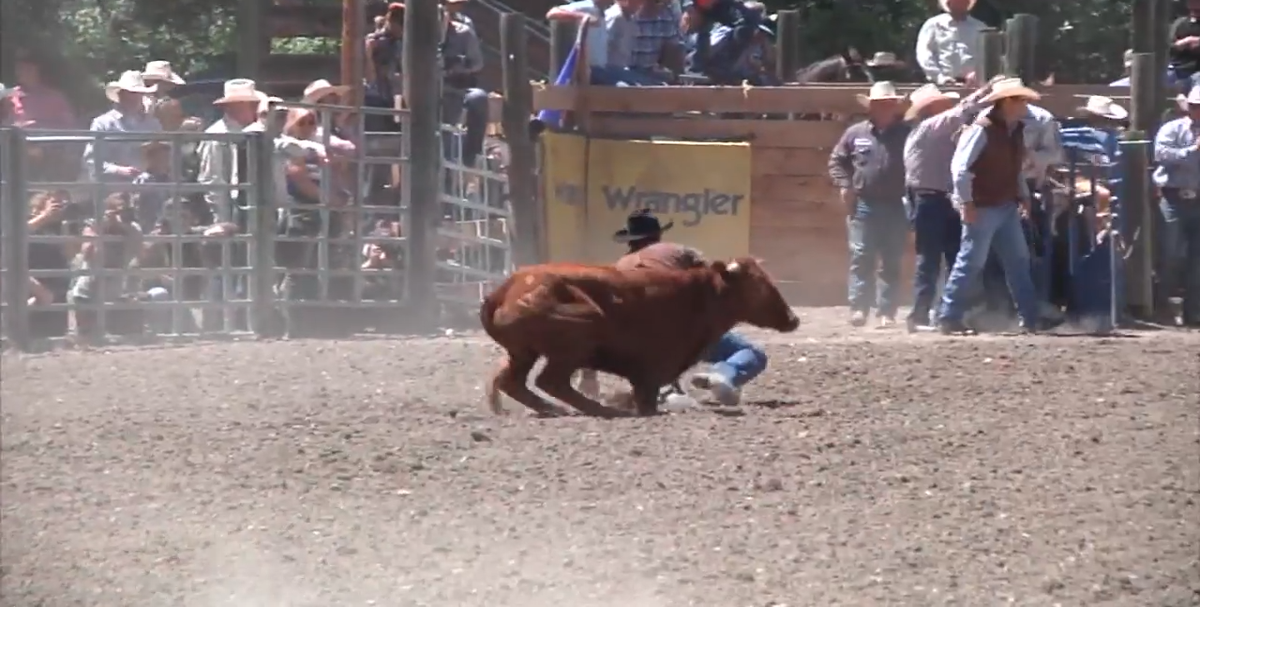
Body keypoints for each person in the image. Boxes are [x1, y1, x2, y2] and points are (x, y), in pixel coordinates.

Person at [577, 209, 770, 406]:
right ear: (659, 236)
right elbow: (715, 282)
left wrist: (588, 376)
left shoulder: (618, 268)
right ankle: (724, 374)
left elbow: (597, 318)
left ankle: (660, 388)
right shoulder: (678, 252)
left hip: (633, 342)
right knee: (751, 353)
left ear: (630, 240)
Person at [937, 78, 1044, 335]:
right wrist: (966, 202)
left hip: (1003, 204)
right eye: (1021, 100)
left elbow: (1014, 168)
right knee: (972, 262)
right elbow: (960, 169)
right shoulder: (982, 130)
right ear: (1007, 101)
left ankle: (1030, 317)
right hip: (983, 206)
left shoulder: (1012, 130)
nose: (1025, 105)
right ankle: (949, 316)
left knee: (1016, 260)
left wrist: (1023, 195)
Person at [902, 78, 1000, 332]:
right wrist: (988, 88)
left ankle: (935, 312)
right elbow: (964, 109)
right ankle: (923, 314)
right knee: (935, 259)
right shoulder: (932, 126)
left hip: (933, 198)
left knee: (945, 257)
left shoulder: (928, 130)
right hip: (932, 199)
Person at [828, 82, 912, 328]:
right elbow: (836, 161)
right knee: (861, 256)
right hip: (865, 203)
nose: (885, 108)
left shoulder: (907, 133)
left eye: (889, 104)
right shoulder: (855, 133)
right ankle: (859, 308)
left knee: (891, 259)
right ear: (872, 107)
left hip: (897, 204)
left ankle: (886, 311)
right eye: (880, 104)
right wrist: (845, 185)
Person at [1152, 84, 1199, 328]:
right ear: (1189, 108)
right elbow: (1161, 153)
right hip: (1173, 198)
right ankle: (1162, 308)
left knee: (1197, 260)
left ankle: (1194, 313)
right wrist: (1192, 151)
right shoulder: (1172, 128)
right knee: (1170, 254)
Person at [198, 79, 265, 226]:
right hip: (233, 208)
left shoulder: (256, 132)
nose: (256, 108)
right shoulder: (216, 135)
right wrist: (222, 219)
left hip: (254, 204)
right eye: (252, 104)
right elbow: (212, 179)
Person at [84, 71, 161, 182]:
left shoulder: (153, 124)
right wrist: (118, 170)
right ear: (120, 95)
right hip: (114, 187)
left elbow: (163, 157)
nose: (133, 98)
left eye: (138, 93)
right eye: (130, 93)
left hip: (150, 186)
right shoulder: (103, 124)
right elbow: (91, 160)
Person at [441, 0, 490, 167]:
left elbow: (478, 63)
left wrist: (460, 68)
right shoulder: (418, 33)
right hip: (429, 88)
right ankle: (445, 168)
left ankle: (471, 154)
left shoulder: (464, 31)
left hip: (457, 86)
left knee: (479, 98)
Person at [682, 0, 763, 82]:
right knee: (699, 27)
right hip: (699, 7)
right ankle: (695, 68)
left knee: (747, 24)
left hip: (721, 5)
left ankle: (725, 67)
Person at [915, 0, 986, 87]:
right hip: (940, 84)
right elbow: (924, 53)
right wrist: (939, 77)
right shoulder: (934, 25)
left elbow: (987, 56)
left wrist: (978, 74)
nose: (960, 3)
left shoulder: (980, 27)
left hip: (973, 85)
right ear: (948, 3)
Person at [8, 51, 76, 129]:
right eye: (19, 69)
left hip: (48, 139)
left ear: (38, 71)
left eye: (28, 69)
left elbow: (70, 127)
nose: (21, 72)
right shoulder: (9, 97)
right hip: (16, 139)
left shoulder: (55, 98)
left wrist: (41, 125)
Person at [630, 0, 684, 83]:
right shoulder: (627, 14)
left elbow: (671, 56)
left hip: (652, 74)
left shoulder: (668, 14)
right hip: (627, 73)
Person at [1168, 0, 1200, 93]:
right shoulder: (1180, 23)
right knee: (1159, 81)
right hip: (1178, 67)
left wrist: (1196, 40)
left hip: (1197, 70)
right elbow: (1170, 46)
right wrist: (1185, 42)